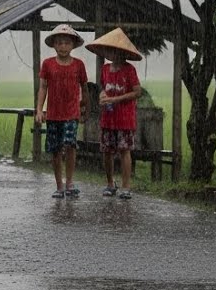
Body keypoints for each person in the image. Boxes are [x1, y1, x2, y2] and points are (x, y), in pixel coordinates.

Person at [86, 27, 143, 200]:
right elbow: (103, 88)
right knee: (107, 151)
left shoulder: (129, 70)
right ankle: (110, 183)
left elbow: (137, 92)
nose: (114, 54)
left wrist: (116, 99)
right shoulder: (105, 69)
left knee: (125, 150)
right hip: (108, 118)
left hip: (125, 119)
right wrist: (102, 95)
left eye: (117, 50)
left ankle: (126, 186)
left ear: (124, 52)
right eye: (111, 50)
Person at [35, 23, 90, 199]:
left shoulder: (79, 65)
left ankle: (70, 182)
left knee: (70, 145)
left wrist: (85, 108)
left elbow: (85, 88)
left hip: (72, 113)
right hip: (53, 113)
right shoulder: (48, 64)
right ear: (54, 45)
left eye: (67, 43)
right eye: (59, 43)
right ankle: (59, 185)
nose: (63, 47)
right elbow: (43, 87)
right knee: (56, 149)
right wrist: (39, 110)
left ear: (73, 45)